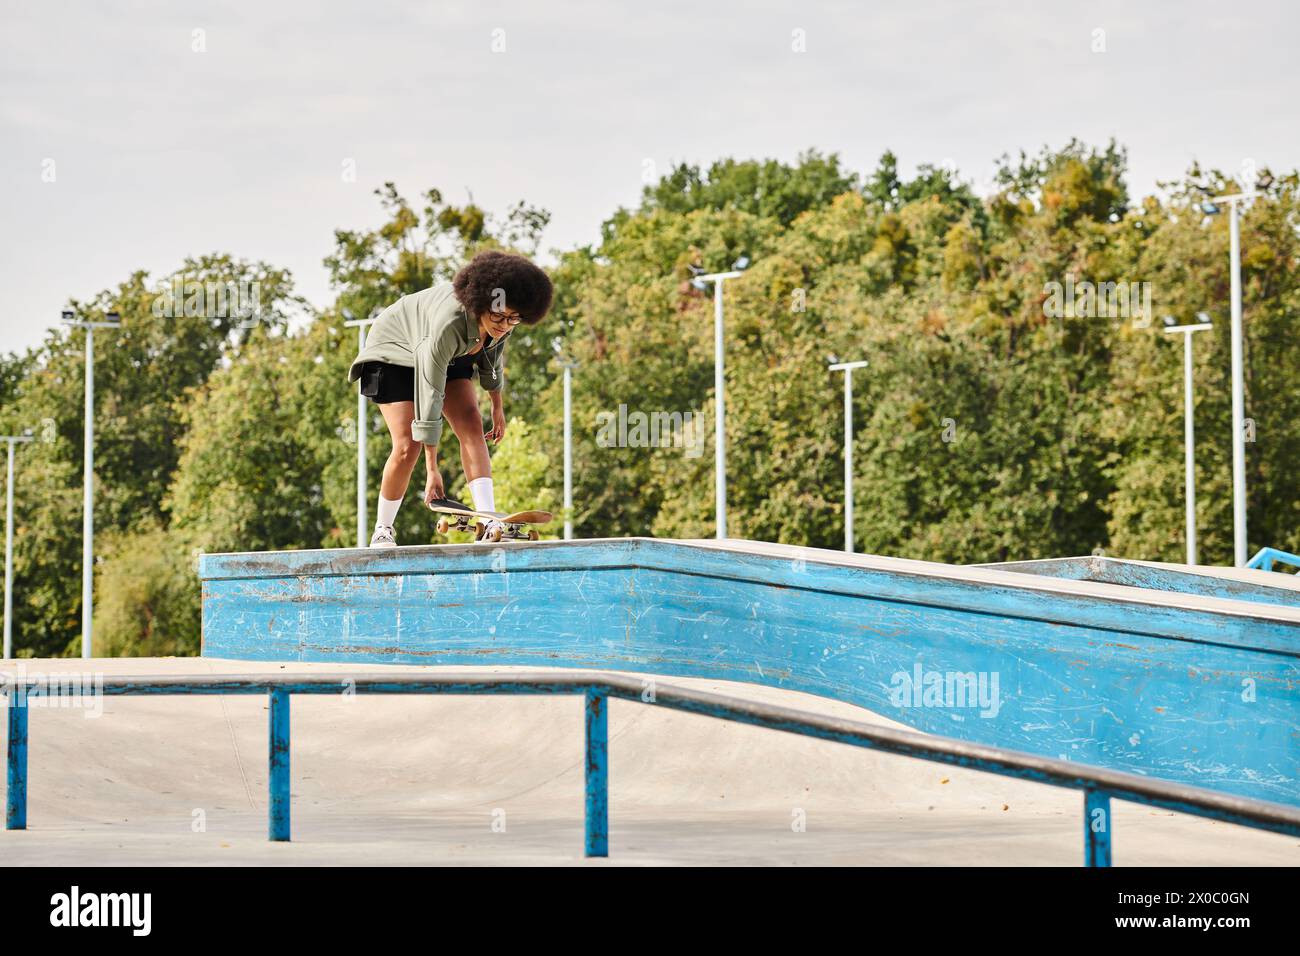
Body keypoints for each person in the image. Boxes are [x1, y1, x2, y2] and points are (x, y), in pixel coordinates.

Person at [348, 250, 553, 546]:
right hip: (392, 352)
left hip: (444, 354)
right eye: (498, 316)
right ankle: (383, 528)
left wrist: (497, 406)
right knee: (408, 444)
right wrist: (433, 470)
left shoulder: (502, 321)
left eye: (513, 319)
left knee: (471, 422)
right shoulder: (448, 324)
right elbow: (429, 393)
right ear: (481, 302)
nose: (504, 324)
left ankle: (487, 516)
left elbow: (491, 362)